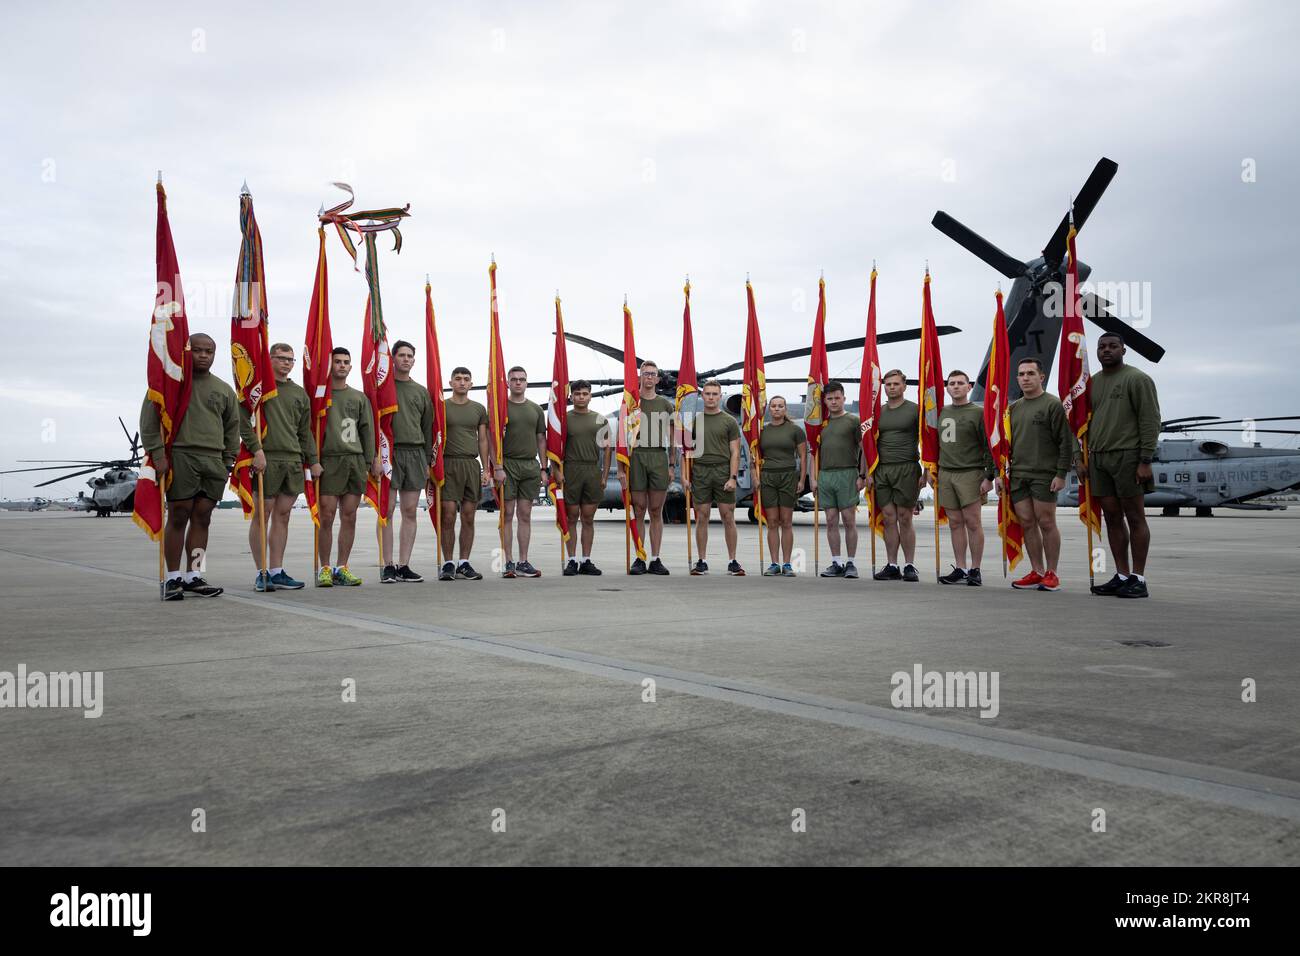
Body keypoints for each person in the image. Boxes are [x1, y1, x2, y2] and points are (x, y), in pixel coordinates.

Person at [140, 332, 240, 600]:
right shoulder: (170, 384)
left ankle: (193, 575)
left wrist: (229, 459)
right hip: (181, 455)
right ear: (187, 351)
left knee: (203, 517)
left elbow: (233, 427)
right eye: (198, 350)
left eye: (209, 351)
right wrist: (158, 455)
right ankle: (172, 578)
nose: (204, 355)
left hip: (214, 460)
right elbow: (149, 422)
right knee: (179, 514)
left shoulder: (223, 390)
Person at [240, 342, 321, 591]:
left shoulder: (299, 394)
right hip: (267, 458)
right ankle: (261, 571)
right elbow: (244, 420)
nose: (286, 363)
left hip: (293, 459)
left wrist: (314, 459)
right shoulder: (260, 389)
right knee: (262, 514)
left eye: (290, 359)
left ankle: (276, 570)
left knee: (283, 515)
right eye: (281, 358)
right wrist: (256, 449)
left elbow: (304, 431)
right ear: (270, 359)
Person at [1086, 331, 1161, 599]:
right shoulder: (1092, 383)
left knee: (1135, 516)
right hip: (1100, 458)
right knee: (1112, 517)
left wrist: (1145, 459)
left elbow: (1150, 420)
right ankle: (1121, 574)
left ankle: (1138, 579)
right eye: (1102, 347)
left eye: (1113, 346)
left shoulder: (1137, 379)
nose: (1106, 350)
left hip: (1128, 456)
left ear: (1123, 350)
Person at [1005, 358, 1077, 591]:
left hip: (1045, 474)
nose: (1025, 378)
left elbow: (1065, 443)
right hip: (1018, 474)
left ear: (1041, 377)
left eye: (1030, 373)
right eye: (1021, 374)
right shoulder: (1013, 408)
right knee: (1026, 522)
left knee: (1046, 522)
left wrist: (1061, 473)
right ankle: (1036, 570)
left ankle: (1052, 572)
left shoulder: (1052, 405)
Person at [316, 347, 380, 586]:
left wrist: (369, 460)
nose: (342, 365)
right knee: (327, 516)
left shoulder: (359, 397)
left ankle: (342, 567)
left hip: (354, 460)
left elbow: (367, 430)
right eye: (337, 361)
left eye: (346, 362)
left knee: (349, 516)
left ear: (350, 367)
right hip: (330, 460)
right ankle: (324, 567)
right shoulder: (321, 395)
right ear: (330, 365)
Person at [380, 340, 433, 583]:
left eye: (410, 356)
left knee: (409, 510)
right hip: (389, 453)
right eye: (401, 355)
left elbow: (427, 428)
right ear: (392, 358)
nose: (405, 359)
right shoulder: (383, 387)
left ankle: (404, 565)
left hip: (414, 454)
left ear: (414, 360)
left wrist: (427, 461)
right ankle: (388, 565)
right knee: (387, 511)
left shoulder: (421, 391)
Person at [935, 370, 995, 586]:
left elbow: (988, 445)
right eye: (952, 383)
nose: (956, 386)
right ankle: (960, 567)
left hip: (970, 472)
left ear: (969, 387)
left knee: (972, 522)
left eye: (961, 383)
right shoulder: (941, 412)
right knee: (954, 523)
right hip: (946, 472)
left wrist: (989, 476)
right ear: (947, 387)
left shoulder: (978, 413)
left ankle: (975, 569)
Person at [439, 366, 493, 581]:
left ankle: (464, 562)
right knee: (449, 515)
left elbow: (482, 440)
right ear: (451, 383)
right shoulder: (442, 407)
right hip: (448, 464)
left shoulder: (479, 409)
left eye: (466, 379)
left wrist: (486, 468)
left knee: (469, 516)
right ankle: (448, 563)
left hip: (471, 465)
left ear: (471, 384)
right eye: (458, 379)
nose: (462, 382)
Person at [623, 361, 677, 575]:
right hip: (636, 455)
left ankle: (655, 558)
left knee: (656, 510)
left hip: (658, 456)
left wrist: (672, 464)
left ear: (657, 379)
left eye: (652, 374)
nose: (648, 377)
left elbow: (674, 438)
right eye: (645, 373)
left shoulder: (665, 405)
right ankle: (639, 556)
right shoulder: (631, 403)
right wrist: (620, 469)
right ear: (640, 377)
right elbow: (621, 437)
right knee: (638, 510)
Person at [870, 369, 924, 582]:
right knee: (889, 518)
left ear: (904, 386)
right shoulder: (878, 412)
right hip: (883, 470)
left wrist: (927, 470)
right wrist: (870, 472)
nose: (891, 387)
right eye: (888, 384)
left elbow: (927, 440)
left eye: (895, 384)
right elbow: (870, 443)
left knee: (905, 517)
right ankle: (892, 565)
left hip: (907, 468)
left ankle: (909, 565)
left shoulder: (914, 410)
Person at [686, 380, 744, 575]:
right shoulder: (694, 421)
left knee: (728, 516)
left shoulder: (729, 421)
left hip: (722, 471)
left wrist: (733, 477)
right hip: (701, 471)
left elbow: (735, 452)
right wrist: (686, 476)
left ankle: (733, 560)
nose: (711, 397)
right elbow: (686, 450)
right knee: (702, 517)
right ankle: (701, 560)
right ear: (703, 397)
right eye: (707, 394)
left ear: (720, 396)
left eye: (714, 394)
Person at [560, 380, 611, 575]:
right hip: (571, 470)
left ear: (590, 396)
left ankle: (586, 560)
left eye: (585, 393)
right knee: (571, 517)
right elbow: (556, 449)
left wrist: (604, 475)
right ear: (571, 396)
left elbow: (607, 449)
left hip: (592, 470)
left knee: (588, 518)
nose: (581, 397)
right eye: (577, 394)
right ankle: (572, 560)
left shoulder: (600, 420)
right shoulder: (564, 419)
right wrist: (558, 472)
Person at [500, 365, 546, 578]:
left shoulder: (536, 409)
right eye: (514, 379)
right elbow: (493, 439)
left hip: (530, 465)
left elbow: (541, 439)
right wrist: (496, 466)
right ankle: (508, 562)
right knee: (507, 514)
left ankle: (523, 561)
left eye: (522, 379)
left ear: (527, 383)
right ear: (508, 382)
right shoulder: (501, 408)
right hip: (508, 464)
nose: (518, 382)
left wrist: (544, 468)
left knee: (525, 514)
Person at [816, 381, 864, 579]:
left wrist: (862, 475)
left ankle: (851, 562)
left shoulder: (853, 421)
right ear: (824, 401)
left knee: (849, 520)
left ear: (844, 398)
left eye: (837, 398)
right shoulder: (820, 425)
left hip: (847, 473)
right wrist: (815, 478)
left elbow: (864, 449)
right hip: (826, 475)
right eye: (830, 399)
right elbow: (814, 452)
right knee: (830, 520)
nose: (834, 402)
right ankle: (837, 561)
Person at [758, 395, 807, 576]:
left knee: (786, 522)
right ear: (769, 409)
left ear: (785, 409)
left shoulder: (795, 430)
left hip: (788, 476)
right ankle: (774, 563)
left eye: (780, 406)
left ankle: (787, 564)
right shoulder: (762, 431)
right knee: (772, 522)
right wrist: (756, 478)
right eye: (773, 406)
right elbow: (756, 455)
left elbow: (803, 457)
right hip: (768, 477)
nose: (777, 409)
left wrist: (802, 480)